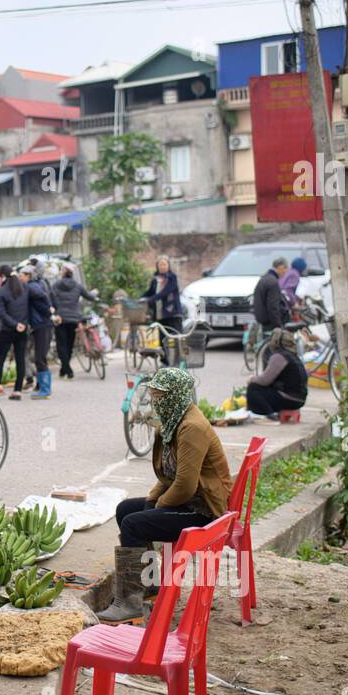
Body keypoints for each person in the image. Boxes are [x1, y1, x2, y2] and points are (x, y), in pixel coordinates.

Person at [97, 368, 233, 622]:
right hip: (188, 500)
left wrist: (158, 505)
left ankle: (130, 601)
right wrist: (153, 499)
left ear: (175, 397)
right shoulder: (172, 421)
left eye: (159, 396)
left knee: (133, 524)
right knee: (125, 510)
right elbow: (167, 475)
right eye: (153, 395)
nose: (154, 402)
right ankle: (148, 583)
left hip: (203, 510)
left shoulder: (191, 427)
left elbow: (185, 485)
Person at [245, 328, 308, 422]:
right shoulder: (292, 355)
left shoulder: (279, 356)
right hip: (299, 399)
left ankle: (269, 415)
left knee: (253, 388)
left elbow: (265, 381)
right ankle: (271, 412)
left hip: (290, 399)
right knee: (261, 388)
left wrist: (252, 379)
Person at [51, 265, 100, 379]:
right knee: (69, 344)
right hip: (74, 318)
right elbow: (88, 296)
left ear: (63, 273)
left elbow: (50, 297)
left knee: (61, 345)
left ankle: (67, 369)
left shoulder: (55, 285)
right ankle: (65, 369)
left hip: (60, 318)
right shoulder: (78, 286)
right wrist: (95, 297)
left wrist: (54, 308)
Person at [0, 264, 30, 401]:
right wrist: (22, 324)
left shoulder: (2, 291)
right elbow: (29, 307)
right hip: (22, 329)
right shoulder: (25, 287)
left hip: (7, 329)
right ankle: (17, 391)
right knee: (20, 359)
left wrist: (14, 324)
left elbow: (1, 312)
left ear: (2, 276)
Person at [23, 265, 58, 399]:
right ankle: (42, 387)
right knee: (40, 357)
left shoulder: (32, 287)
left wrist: (49, 310)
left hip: (42, 325)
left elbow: (42, 300)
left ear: (28, 275)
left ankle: (45, 389)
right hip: (41, 325)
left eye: (22, 275)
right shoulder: (36, 285)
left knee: (40, 358)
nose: (20, 277)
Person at [141, 256, 183, 365]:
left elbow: (164, 292)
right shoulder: (155, 280)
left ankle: (178, 361)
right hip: (160, 314)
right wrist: (141, 299)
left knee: (176, 338)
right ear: (157, 266)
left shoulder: (172, 278)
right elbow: (150, 292)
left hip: (173, 313)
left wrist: (151, 299)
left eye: (164, 264)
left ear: (168, 266)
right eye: (160, 264)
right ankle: (164, 362)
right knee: (162, 339)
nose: (162, 266)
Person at [252, 256, 289, 339]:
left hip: (262, 320)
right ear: (281, 267)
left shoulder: (264, 278)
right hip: (270, 323)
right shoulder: (273, 282)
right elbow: (273, 306)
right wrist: (278, 326)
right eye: (286, 269)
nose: (286, 272)